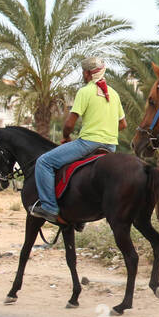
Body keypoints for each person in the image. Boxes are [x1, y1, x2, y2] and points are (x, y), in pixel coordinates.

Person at [30, 56, 124, 224]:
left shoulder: (85, 91)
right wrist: (106, 131)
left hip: (88, 143)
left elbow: (69, 123)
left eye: (83, 72)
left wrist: (66, 136)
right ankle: (78, 218)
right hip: (110, 147)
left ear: (87, 74)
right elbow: (122, 124)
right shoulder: (114, 94)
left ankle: (49, 207)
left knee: (44, 162)